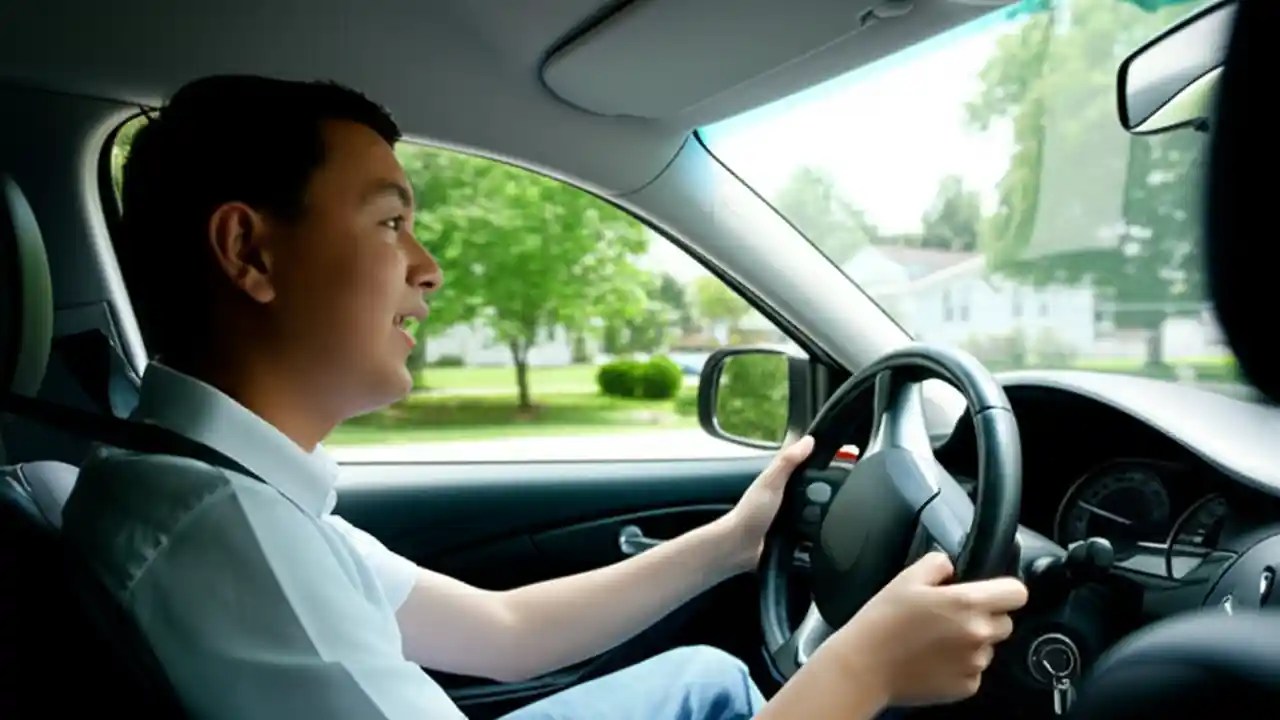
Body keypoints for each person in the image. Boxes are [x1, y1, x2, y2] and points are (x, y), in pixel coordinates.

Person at [61, 75, 1028, 720]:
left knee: (704, 681)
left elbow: (505, 634)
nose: (429, 268)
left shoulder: (220, 491)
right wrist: (864, 672)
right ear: (250, 252)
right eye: (391, 221)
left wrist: (731, 544)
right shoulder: (227, 536)